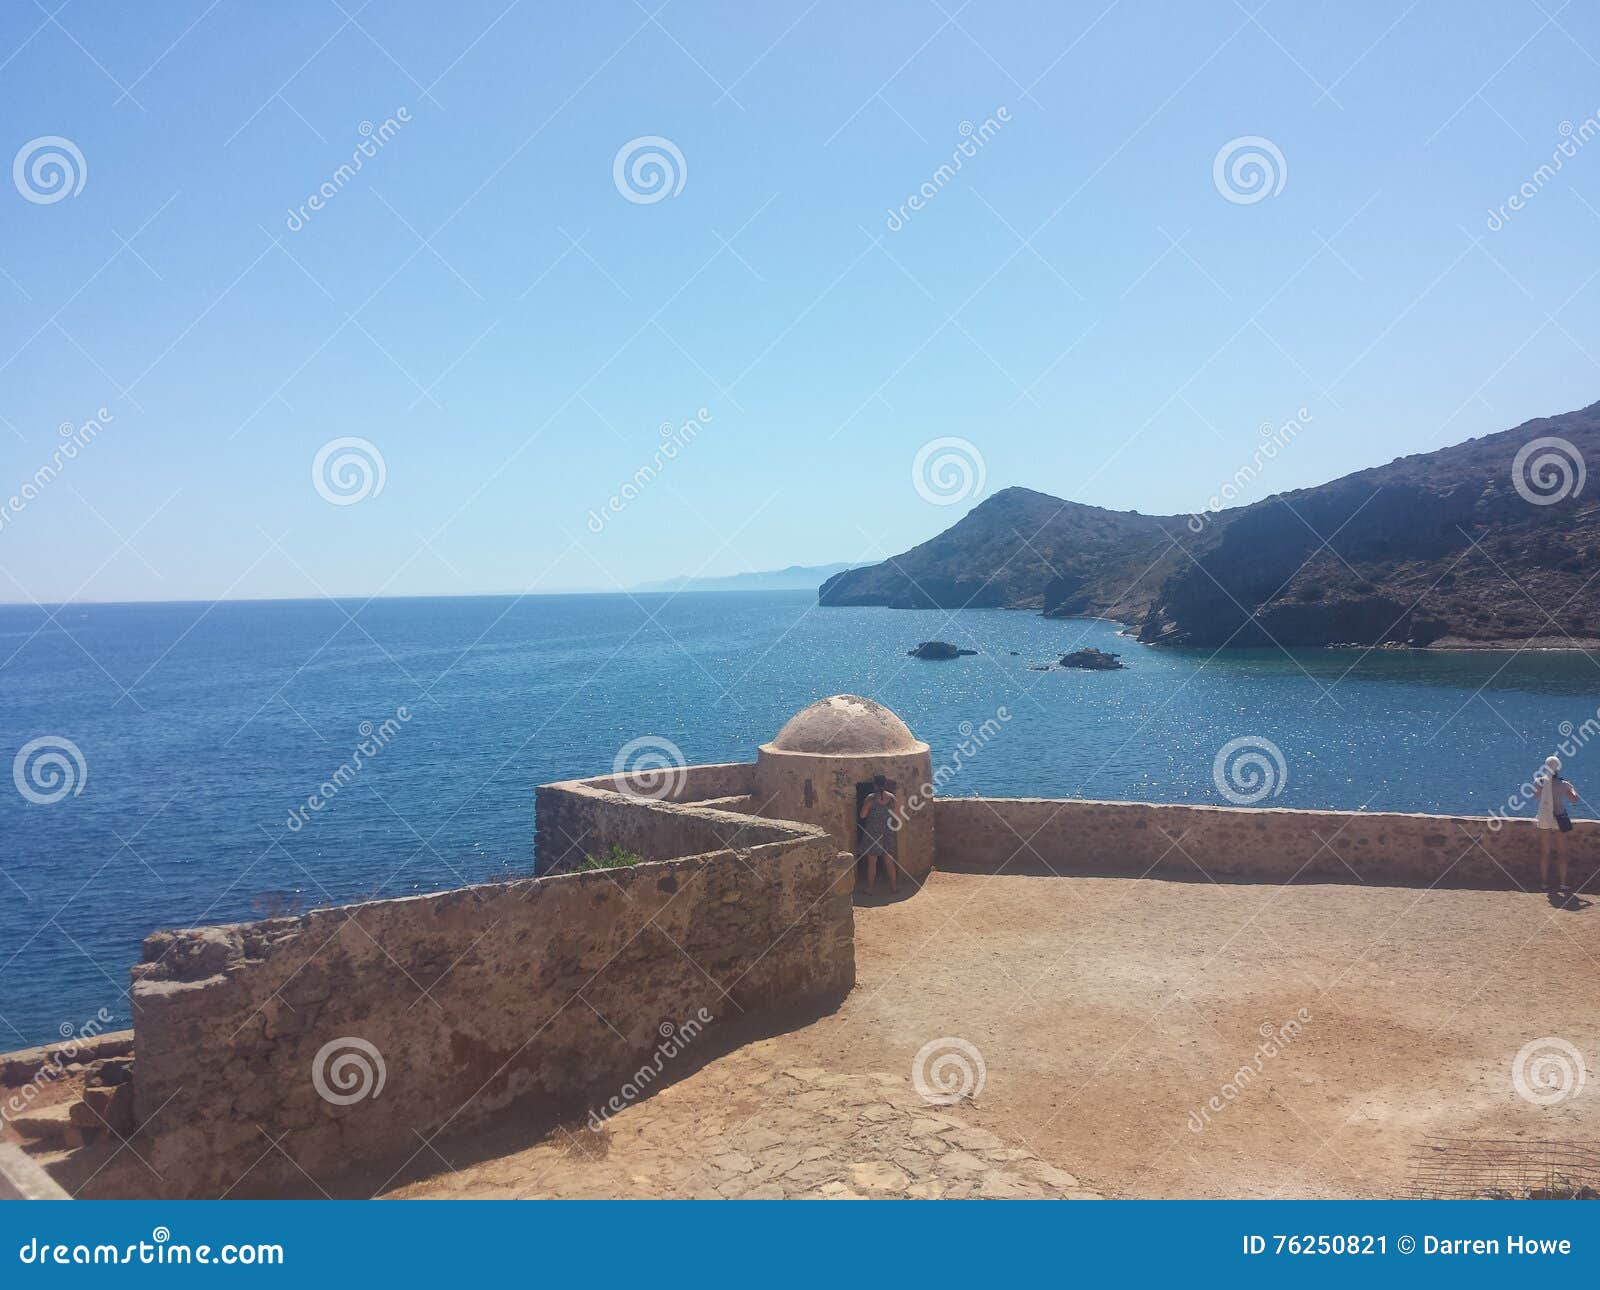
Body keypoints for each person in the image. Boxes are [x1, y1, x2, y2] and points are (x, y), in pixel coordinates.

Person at [1533, 754, 1578, 898]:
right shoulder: (1564, 784)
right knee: (1562, 852)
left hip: (1545, 819)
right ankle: (1563, 883)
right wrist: (1572, 787)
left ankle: (1543, 882)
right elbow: (1574, 800)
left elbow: (1535, 796)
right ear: (1558, 767)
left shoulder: (1539, 781)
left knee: (1545, 851)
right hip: (1559, 819)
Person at [858, 774, 900, 893]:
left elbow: (862, 815)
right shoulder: (892, 798)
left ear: (874, 784)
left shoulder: (871, 798)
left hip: (873, 833)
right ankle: (894, 887)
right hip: (887, 832)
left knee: (872, 862)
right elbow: (897, 816)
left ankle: (870, 889)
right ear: (885, 783)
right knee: (889, 861)